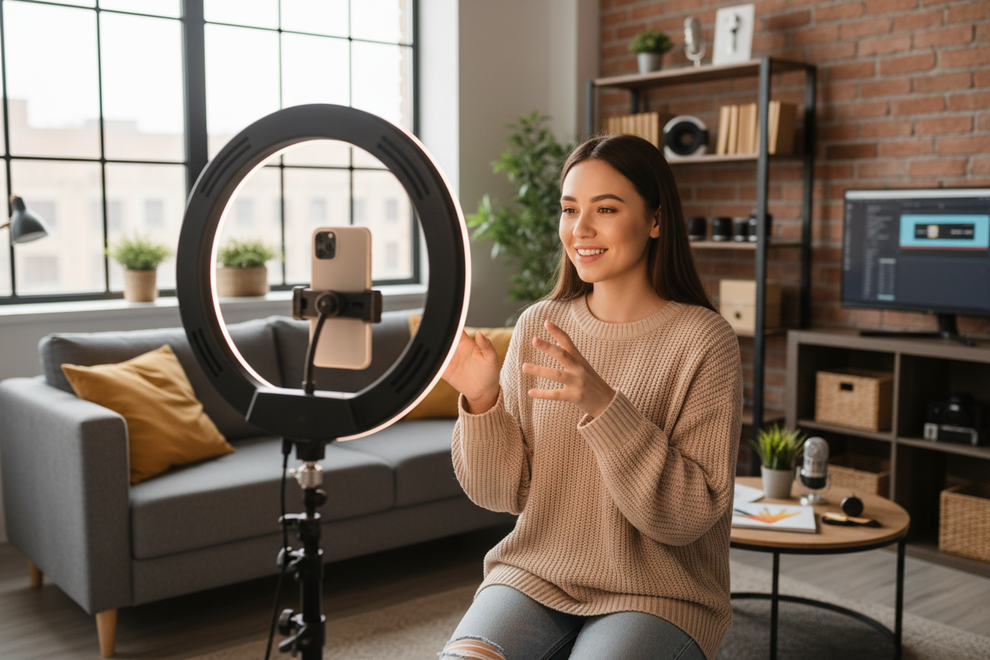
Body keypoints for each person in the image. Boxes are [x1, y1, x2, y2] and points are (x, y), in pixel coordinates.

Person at [439, 134, 743, 660]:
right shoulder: (542, 323)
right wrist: (484, 401)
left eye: (605, 208)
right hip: (535, 571)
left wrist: (605, 407)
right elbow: (502, 495)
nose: (580, 229)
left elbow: (690, 516)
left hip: (660, 592)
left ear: (655, 220)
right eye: (569, 208)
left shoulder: (704, 340)